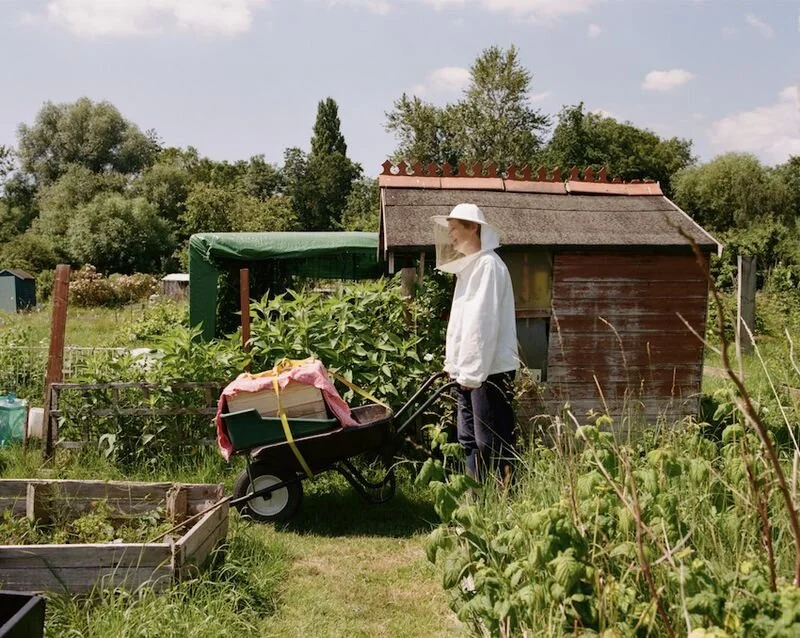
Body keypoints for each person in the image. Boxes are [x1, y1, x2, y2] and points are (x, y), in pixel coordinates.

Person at [432, 203, 519, 482]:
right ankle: (475, 497)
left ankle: (507, 498)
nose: (450, 235)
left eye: (455, 229)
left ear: (474, 228)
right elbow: (461, 324)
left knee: (491, 442)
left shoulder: (488, 266)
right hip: (470, 372)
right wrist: (455, 365)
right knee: (468, 439)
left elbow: (482, 325)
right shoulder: (470, 268)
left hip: (490, 372)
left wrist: (470, 373)